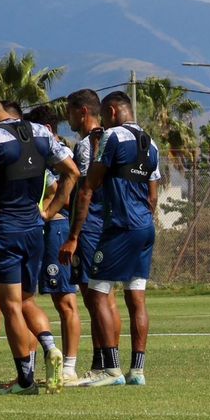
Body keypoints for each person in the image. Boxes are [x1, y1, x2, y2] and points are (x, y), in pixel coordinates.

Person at [0, 93, 78, 395]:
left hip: (4, 229)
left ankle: (26, 380)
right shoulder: (41, 131)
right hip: (34, 229)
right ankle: (50, 346)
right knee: (27, 301)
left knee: (10, 306)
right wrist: (50, 211)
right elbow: (73, 172)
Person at [62, 91, 160, 387]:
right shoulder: (150, 142)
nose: (102, 121)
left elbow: (89, 188)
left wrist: (74, 235)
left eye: (104, 115)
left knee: (98, 291)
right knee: (136, 297)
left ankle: (111, 369)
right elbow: (153, 195)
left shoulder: (113, 137)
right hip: (145, 226)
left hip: (119, 226)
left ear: (114, 112)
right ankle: (138, 371)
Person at [26, 104, 81, 384]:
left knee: (65, 299)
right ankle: (28, 369)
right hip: (34, 230)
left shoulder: (58, 153)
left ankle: (69, 367)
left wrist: (48, 212)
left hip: (54, 228)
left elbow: (62, 188)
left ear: (45, 130)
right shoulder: (39, 152)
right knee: (26, 299)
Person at [60, 88, 108, 386]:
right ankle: (106, 364)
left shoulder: (87, 145)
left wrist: (74, 234)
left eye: (70, 112)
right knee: (104, 297)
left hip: (90, 226)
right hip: (109, 223)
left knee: (94, 298)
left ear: (82, 112)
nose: (68, 119)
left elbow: (86, 190)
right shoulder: (112, 138)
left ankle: (104, 365)